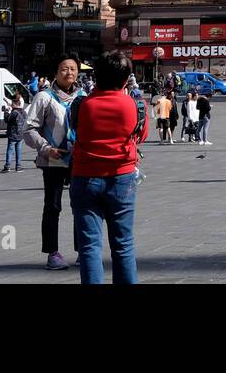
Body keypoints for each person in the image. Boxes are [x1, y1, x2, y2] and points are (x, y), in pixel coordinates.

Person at [68, 51, 148, 284]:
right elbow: (141, 136)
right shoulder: (136, 105)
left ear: (97, 76)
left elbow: (74, 130)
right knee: (123, 244)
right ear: (126, 79)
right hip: (122, 178)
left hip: (85, 178)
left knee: (89, 246)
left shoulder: (82, 104)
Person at [24, 56, 84, 271]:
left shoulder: (83, 97)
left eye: (73, 69)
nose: (70, 73)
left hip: (79, 158)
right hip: (53, 158)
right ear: (56, 73)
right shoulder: (44, 97)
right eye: (65, 69)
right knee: (53, 205)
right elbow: (29, 129)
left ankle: (83, 250)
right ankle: (52, 253)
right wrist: (45, 148)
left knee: (81, 205)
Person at [1, 96, 26, 172]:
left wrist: (6, 111)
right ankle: (18, 166)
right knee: (18, 150)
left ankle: (7, 166)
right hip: (20, 133)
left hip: (13, 134)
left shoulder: (14, 112)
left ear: (14, 104)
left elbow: (7, 120)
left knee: (10, 150)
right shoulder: (23, 112)